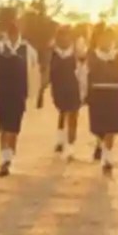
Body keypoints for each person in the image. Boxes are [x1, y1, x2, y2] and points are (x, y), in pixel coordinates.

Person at [0, 7, 40, 177]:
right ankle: (5, 159)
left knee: (13, 128)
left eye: (16, 30)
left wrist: (34, 93)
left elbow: (34, 71)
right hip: (2, 93)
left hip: (18, 94)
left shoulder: (28, 50)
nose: (13, 33)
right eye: (11, 30)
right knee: (4, 127)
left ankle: (8, 157)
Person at [85, 23, 118, 175]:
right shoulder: (92, 55)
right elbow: (86, 73)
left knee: (112, 128)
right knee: (99, 128)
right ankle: (100, 145)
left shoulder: (117, 55)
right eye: (104, 38)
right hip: (97, 92)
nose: (107, 42)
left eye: (110, 38)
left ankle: (107, 157)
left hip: (113, 92)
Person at [46, 25, 84, 160]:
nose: (64, 38)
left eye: (66, 35)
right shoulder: (53, 51)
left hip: (74, 87)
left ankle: (71, 147)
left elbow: (83, 68)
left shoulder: (76, 51)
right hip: (59, 87)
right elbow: (48, 70)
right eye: (61, 36)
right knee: (62, 113)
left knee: (73, 116)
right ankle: (60, 140)